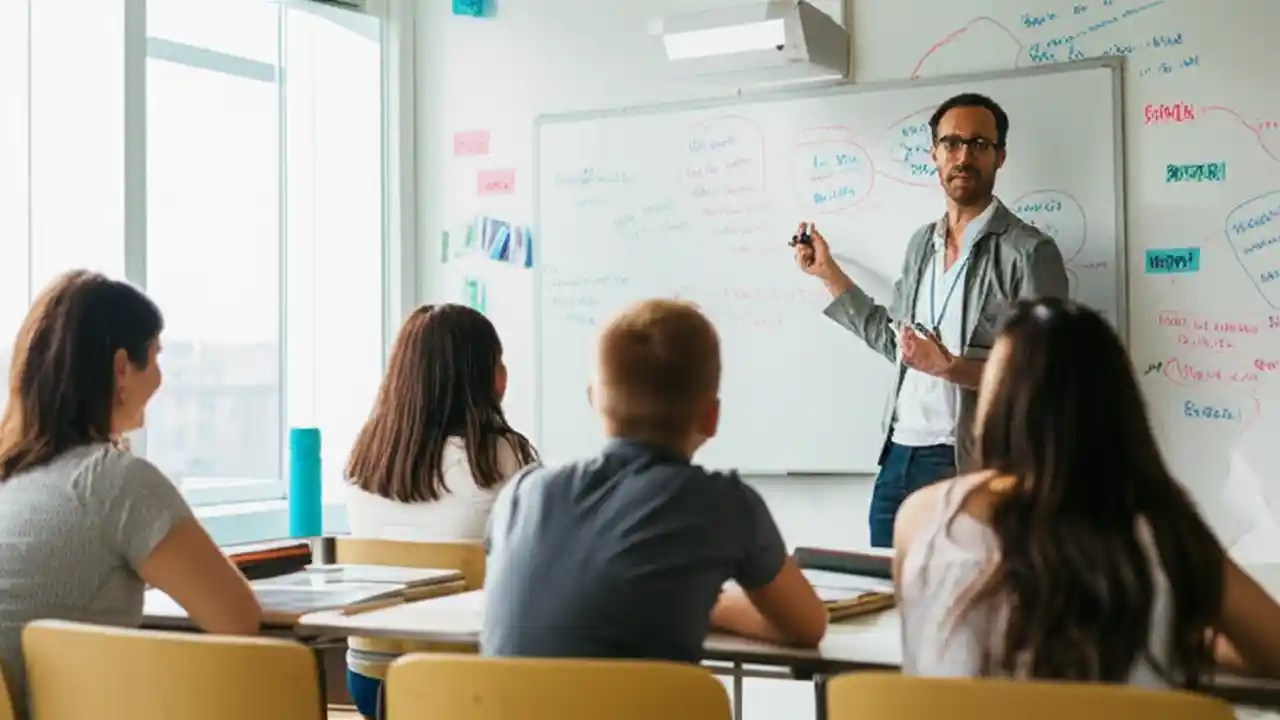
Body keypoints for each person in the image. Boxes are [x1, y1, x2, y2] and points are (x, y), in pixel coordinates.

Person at [892, 297, 1280, 687]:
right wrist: (1168, 638)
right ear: (1120, 409)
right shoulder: (1168, 534)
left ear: (997, 408)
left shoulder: (923, 521)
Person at [793, 92, 1070, 548]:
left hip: (971, 465)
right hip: (897, 459)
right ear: (935, 154)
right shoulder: (921, 244)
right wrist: (827, 273)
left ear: (1000, 156)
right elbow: (897, 345)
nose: (964, 156)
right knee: (883, 591)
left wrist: (951, 368)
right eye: (952, 143)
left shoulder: (1029, 253)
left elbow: (1047, 376)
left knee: (968, 593)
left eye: (979, 144)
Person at [482, 299, 827, 662]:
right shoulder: (724, 505)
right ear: (712, 417)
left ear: (595, 401)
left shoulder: (521, 494)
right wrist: (713, 605)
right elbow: (807, 626)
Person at [0, 270, 262, 717]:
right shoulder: (112, 481)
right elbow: (239, 620)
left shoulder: (13, 477)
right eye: (155, 356)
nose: (160, 377)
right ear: (122, 368)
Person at [343, 303, 538, 718]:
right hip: (468, 685)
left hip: (371, 681)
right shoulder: (505, 455)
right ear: (491, 378)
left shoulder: (365, 461)